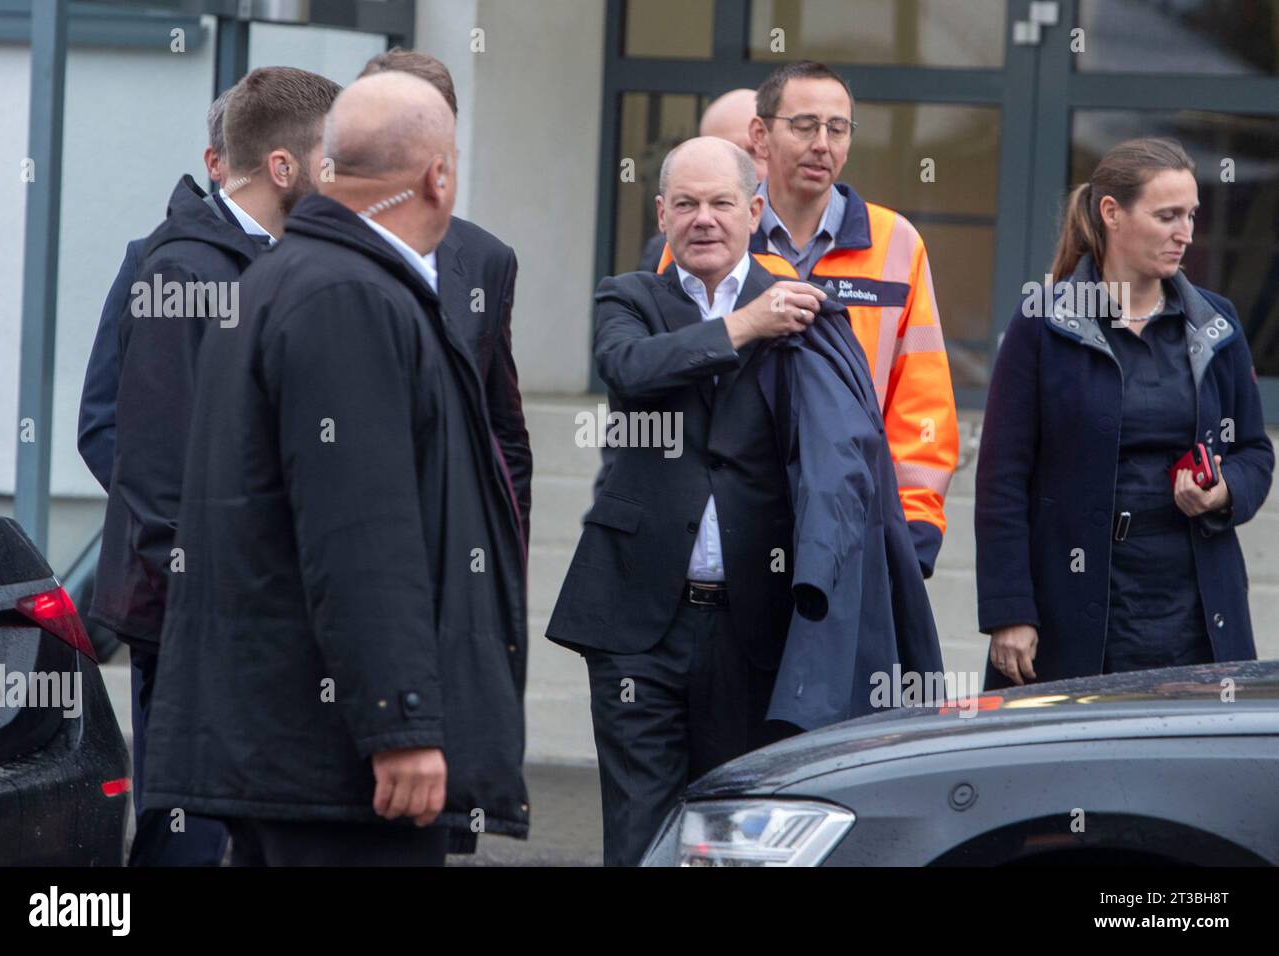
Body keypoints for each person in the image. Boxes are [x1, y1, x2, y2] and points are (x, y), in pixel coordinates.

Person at [143, 72, 529, 867]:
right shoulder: (347, 298)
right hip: (340, 769)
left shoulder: (288, 280)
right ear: (438, 176)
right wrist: (402, 724)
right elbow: (361, 533)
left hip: (296, 753)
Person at [547, 136, 827, 866]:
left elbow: (834, 451)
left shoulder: (800, 303)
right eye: (687, 203)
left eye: (722, 203)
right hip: (638, 619)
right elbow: (629, 368)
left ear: (755, 210)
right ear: (662, 213)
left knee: (735, 833)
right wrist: (745, 325)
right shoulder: (630, 296)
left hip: (751, 623)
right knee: (641, 828)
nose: (704, 219)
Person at [87, 67, 340, 866]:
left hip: (255, 612)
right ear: (283, 167)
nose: (343, 180)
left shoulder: (286, 262)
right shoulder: (183, 270)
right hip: (200, 616)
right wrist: (209, 583)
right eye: (330, 160)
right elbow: (147, 459)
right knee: (188, 842)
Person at [976, 137, 1274, 689]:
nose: (1185, 232)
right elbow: (1001, 480)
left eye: (1190, 215)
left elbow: (1254, 451)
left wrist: (1225, 490)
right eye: (1166, 216)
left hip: (1196, 610)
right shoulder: (1042, 321)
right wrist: (1008, 610)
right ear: (1111, 213)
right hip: (1075, 608)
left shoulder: (1216, 322)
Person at [656, 61, 959, 577]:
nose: (822, 143)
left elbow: (921, 402)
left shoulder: (895, 243)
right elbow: (670, 378)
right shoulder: (708, 238)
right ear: (760, 134)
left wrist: (913, 534)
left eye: (837, 128)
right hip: (730, 536)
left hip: (853, 533)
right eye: (804, 125)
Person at [359, 49, 533, 543]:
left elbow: (504, 434)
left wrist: (503, 572)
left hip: (449, 551)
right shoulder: (299, 249)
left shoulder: (486, 259)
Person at [77, 88, 234, 491]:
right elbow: (102, 424)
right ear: (214, 163)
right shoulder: (154, 260)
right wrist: (178, 533)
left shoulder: (310, 264)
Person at [636, 88, 765, 274]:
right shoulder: (665, 254)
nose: (746, 169)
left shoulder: (812, 239)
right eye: (727, 155)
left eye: (755, 152)